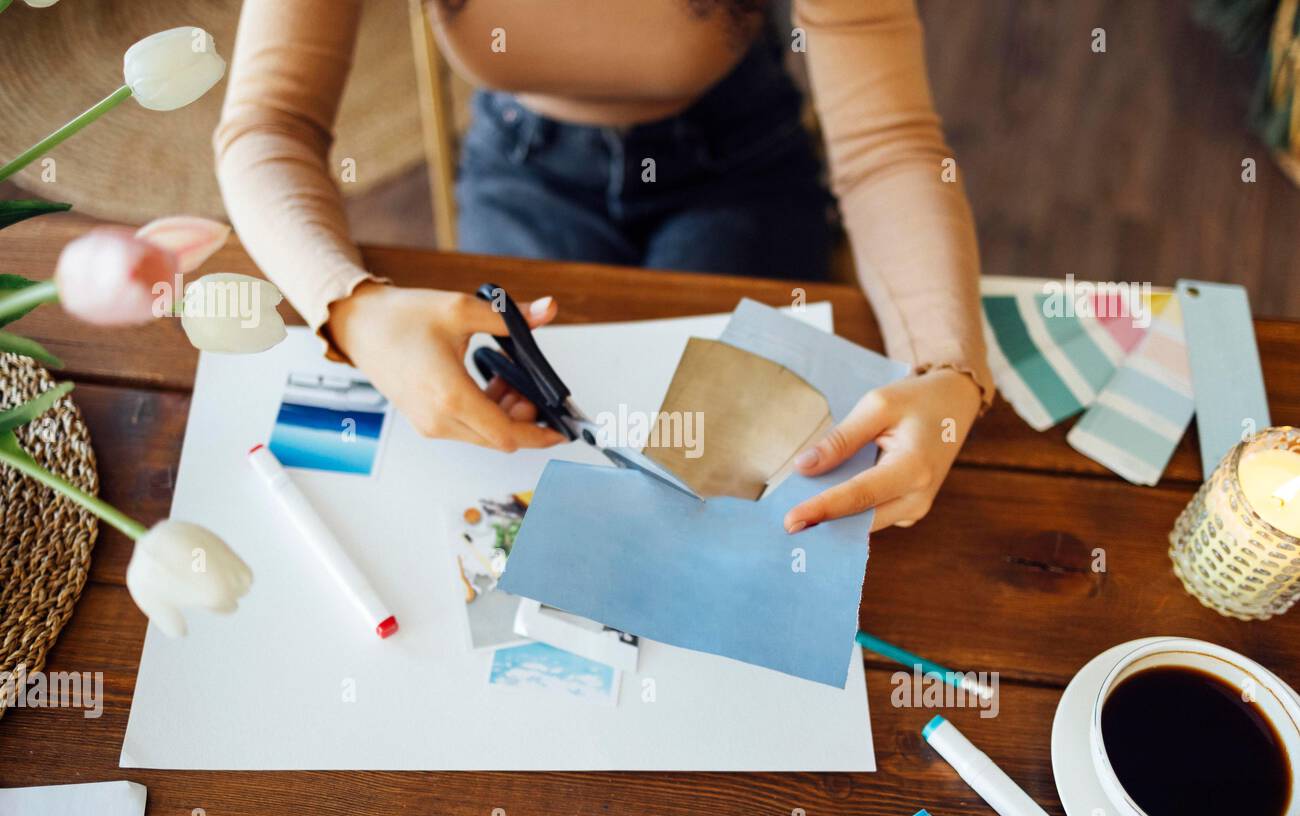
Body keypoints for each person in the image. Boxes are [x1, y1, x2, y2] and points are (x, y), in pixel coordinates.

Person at [215, 0, 992, 533]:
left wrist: (950, 371)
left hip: (739, 162)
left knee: (736, 478)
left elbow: (888, 147)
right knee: (528, 477)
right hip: (525, 162)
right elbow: (267, 124)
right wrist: (350, 308)